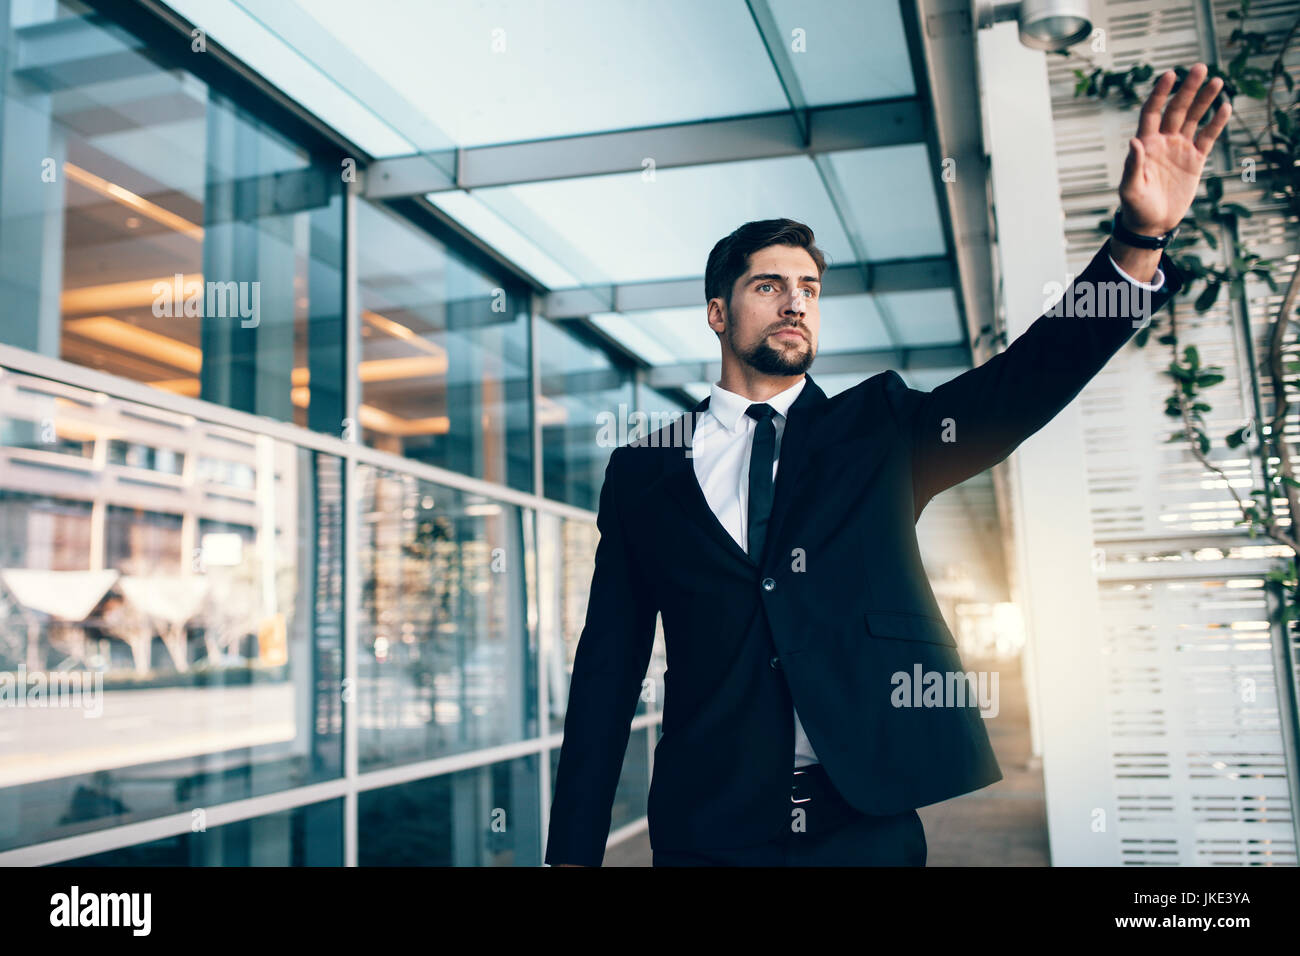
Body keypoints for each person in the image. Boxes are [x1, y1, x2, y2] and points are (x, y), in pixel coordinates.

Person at [546, 65, 1230, 867]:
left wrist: (1137, 244)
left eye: (808, 288)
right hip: (710, 827)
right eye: (769, 286)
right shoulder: (643, 471)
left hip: (860, 822)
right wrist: (572, 854)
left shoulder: (876, 430)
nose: (795, 302)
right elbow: (608, 667)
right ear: (718, 312)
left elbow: (1023, 384)